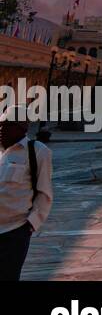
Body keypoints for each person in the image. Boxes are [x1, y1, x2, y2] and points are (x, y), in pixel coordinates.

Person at [0, 119, 53, 281]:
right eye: (0, 125)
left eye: (8, 125)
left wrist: (31, 224)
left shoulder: (37, 151)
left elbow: (44, 192)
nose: (2, 129)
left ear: (22, 128)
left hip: (14, 230)